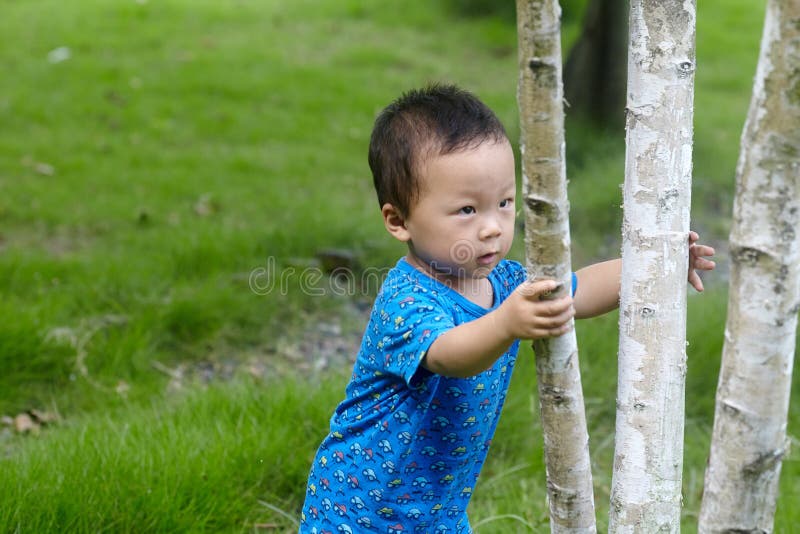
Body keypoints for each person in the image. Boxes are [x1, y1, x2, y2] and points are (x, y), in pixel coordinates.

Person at [299, 84, 715, 533]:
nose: (492, 227)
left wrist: (655, 269)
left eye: (504, 203)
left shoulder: (506, 282)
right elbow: (450, 355)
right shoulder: (407, 298)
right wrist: (505, 324)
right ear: (399, 221)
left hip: (437, 512)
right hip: (358, 509)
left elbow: (577, 289)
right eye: (466, 210)